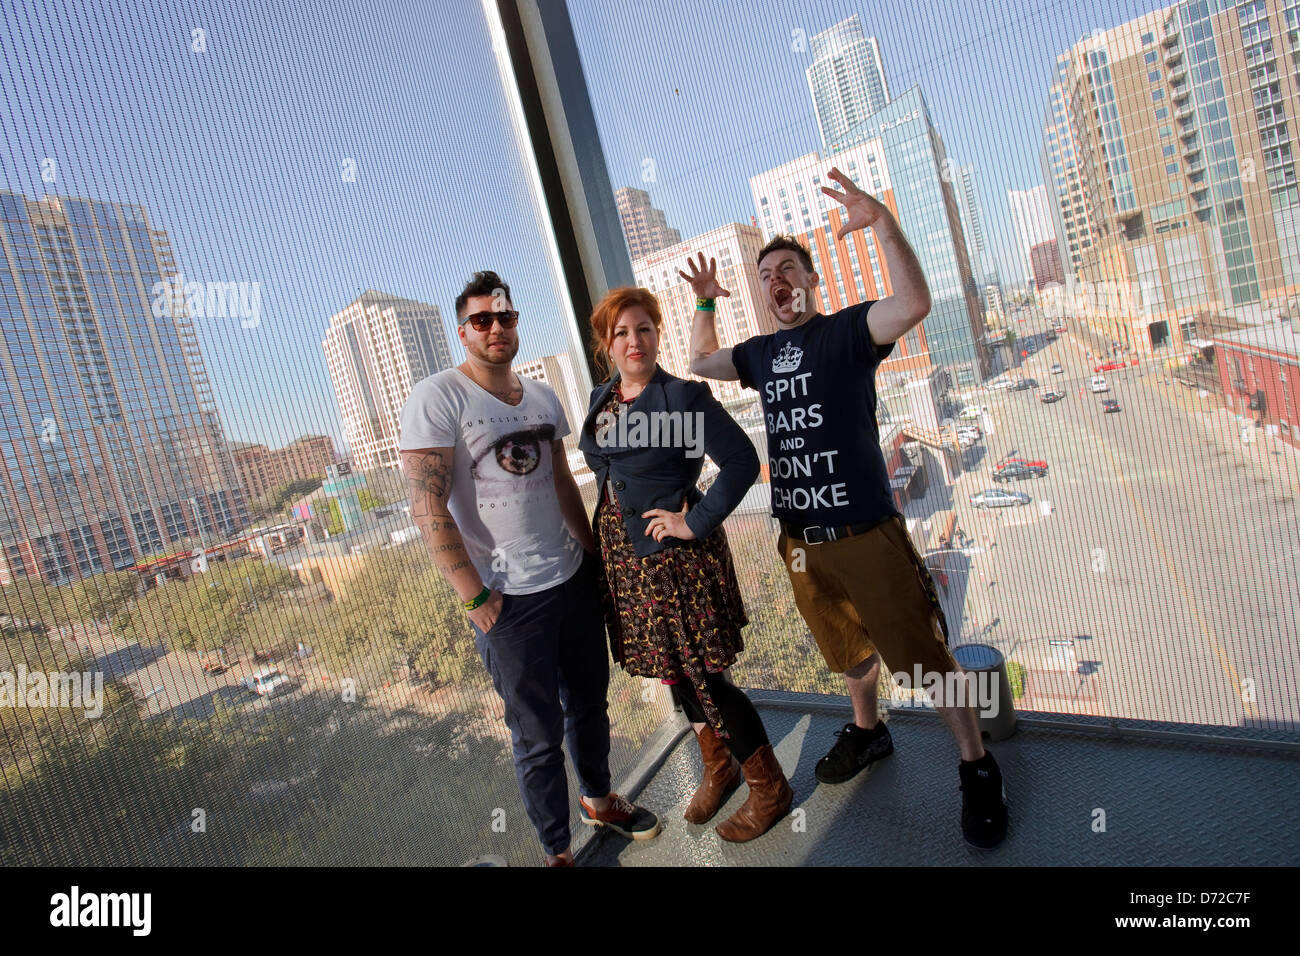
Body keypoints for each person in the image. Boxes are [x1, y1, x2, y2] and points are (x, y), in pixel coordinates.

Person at [684, 167, 1010, 849]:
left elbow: (914, 301)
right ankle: (869, 734)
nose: (778, 278)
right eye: (767, 272)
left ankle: (978, 767)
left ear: (811, 281)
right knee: (849, 652)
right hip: (800, 541)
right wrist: (708, 303)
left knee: (923, 663)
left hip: (866, 535)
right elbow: (700, 362)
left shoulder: (848, 332)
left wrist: (883, 222)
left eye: (790, 268)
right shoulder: (761, 353)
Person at [398, 270, 660, 867]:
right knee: (536, 738)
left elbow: (563, 479)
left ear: (517, 324)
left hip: (571, 581)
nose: (496, 328)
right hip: (508, 602)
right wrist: (475, 599)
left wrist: (593, 556)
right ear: (462, 331)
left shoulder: (542, 396)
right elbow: (426, 506)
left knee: (590, 703)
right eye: (482, 321)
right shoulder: (439, 397)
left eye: (505, 317)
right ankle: (558, 852)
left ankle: (598, 799)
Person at [578, 287, 792, 843]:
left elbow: (743, 461)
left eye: (644, 328)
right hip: (629, 568)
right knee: (675, 671)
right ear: (607, 343)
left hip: (676, 566)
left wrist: (693, 522)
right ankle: (718, 766)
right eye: (621, 332)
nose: (634, 341)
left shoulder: (682, 399)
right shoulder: (605, 399)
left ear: (657, 335)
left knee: (709, 679)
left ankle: (770, 787)